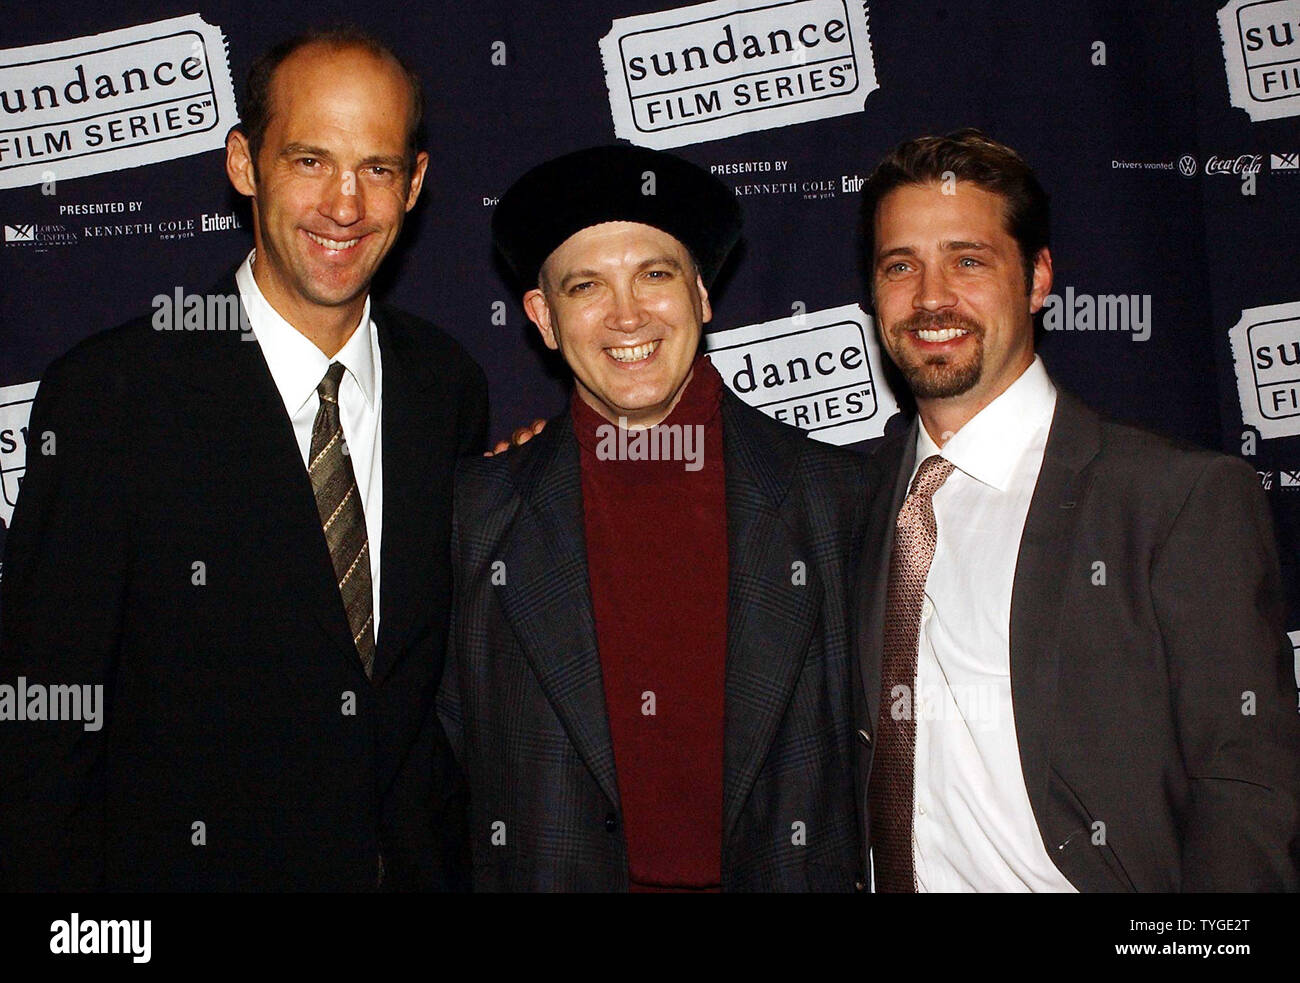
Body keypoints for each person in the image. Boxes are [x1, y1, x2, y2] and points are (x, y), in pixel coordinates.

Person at [0, 27, 487, 891]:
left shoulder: (445, 387)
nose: (345, 204)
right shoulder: (113, 395)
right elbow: (42, 731)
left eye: (377, 167)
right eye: (309, 160)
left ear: (414, 184)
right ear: (243, 163)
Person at [855, 128, 1300, 892]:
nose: (931, 297)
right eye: (902, 265)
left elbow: (1248, 784)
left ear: (1036, 279)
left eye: (968, 260)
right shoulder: (850, 496)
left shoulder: (1174, 499)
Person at [439, 144, 867, 891]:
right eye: (586, 286)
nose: (627, 314)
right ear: (543, 317)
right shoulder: (475, 518)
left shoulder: (835, 499)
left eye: (655, 275)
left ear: (702, 295)